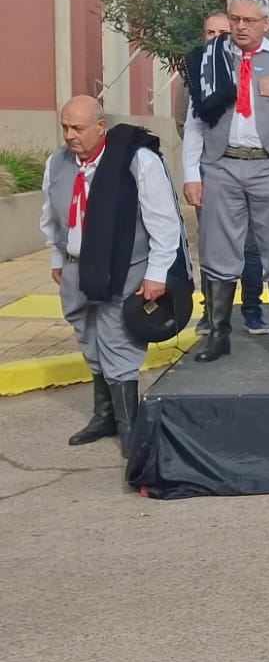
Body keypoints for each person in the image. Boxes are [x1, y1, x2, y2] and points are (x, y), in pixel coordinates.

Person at [182, 0, 269, 363]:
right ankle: (218, 333)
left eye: (249, 21)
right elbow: (195, 122)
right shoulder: (210, 60)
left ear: (267, 24)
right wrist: (192, 174)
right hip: (221, 165)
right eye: (235, 20)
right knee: (217, 252)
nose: (241, 27)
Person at [44, 97, 183, 456]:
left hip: (124, 268)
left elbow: (163, 221)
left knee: (117, 341)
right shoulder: (57, 163)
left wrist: (157, 274)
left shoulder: (138, 161)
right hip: (76, 266)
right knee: (88, 338)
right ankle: (104, 416)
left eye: (78, 128)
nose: (69, 135)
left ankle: (129, 426)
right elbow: (52, 215)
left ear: (100, 127)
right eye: (65, 127)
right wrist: (57, 257)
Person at [191, 11, 267, 336]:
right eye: (210, 32)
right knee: (212, 246)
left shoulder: (251, 70)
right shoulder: (195, 75)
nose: (218, 38)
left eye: (224, 32)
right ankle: (211, 313)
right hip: (212, 172)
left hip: (252, 170)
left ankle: (252, 309)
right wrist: (195, 174)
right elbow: (190, 129)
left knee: (250, 246)